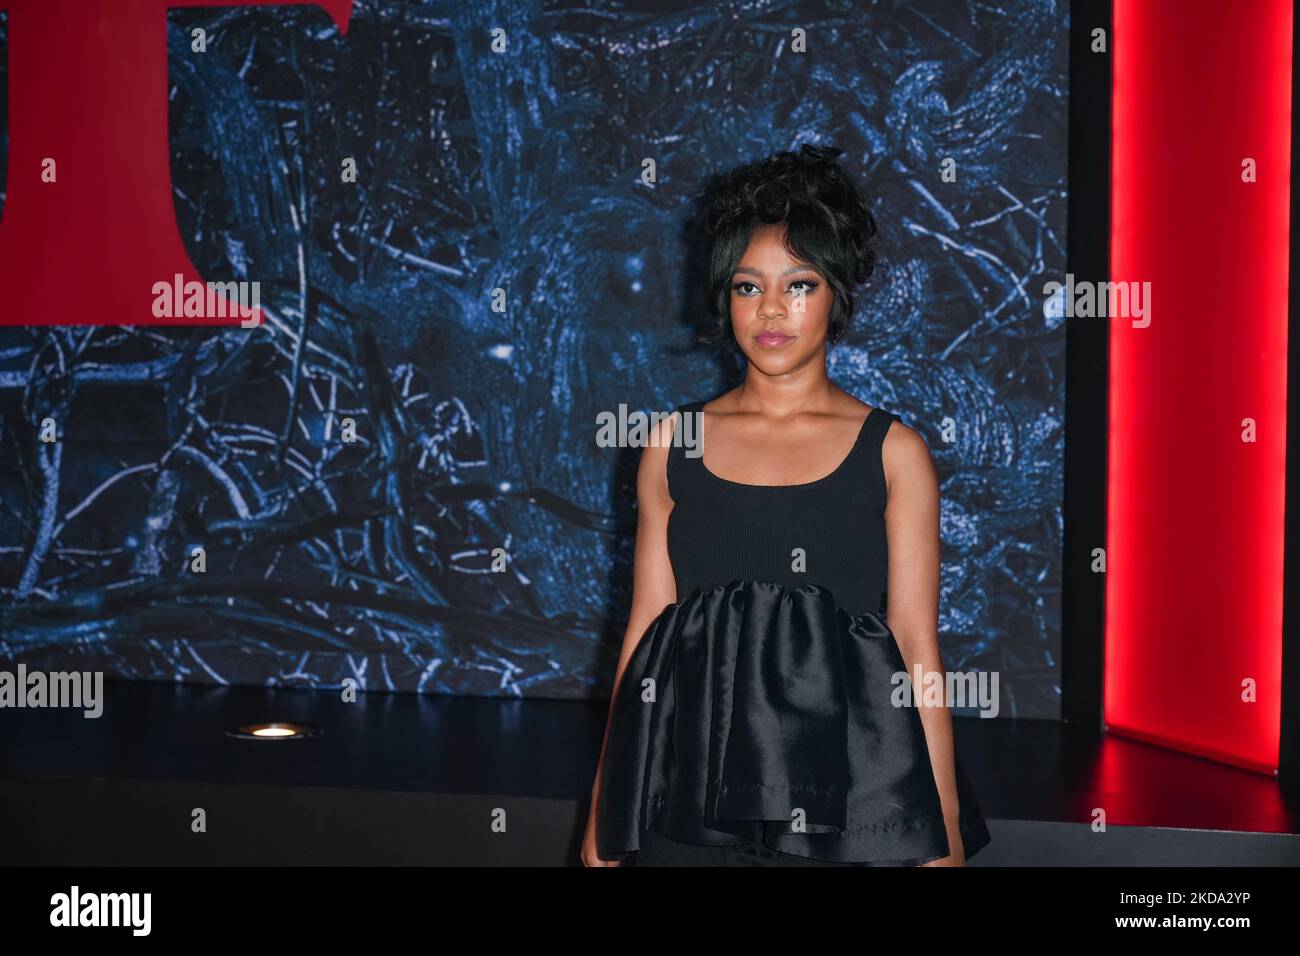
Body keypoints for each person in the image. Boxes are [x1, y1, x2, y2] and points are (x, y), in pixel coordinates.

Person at [581, 144, 991, 867]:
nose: (771, 308)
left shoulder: (893, 452)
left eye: (798, 284)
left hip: (852, 803)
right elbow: (645, 631)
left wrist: (944, 823)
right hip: (693, 800)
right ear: (722, 297)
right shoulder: (674, 443)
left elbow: (917, 647)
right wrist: (605, 811)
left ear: (835, 293)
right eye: (748, 286)